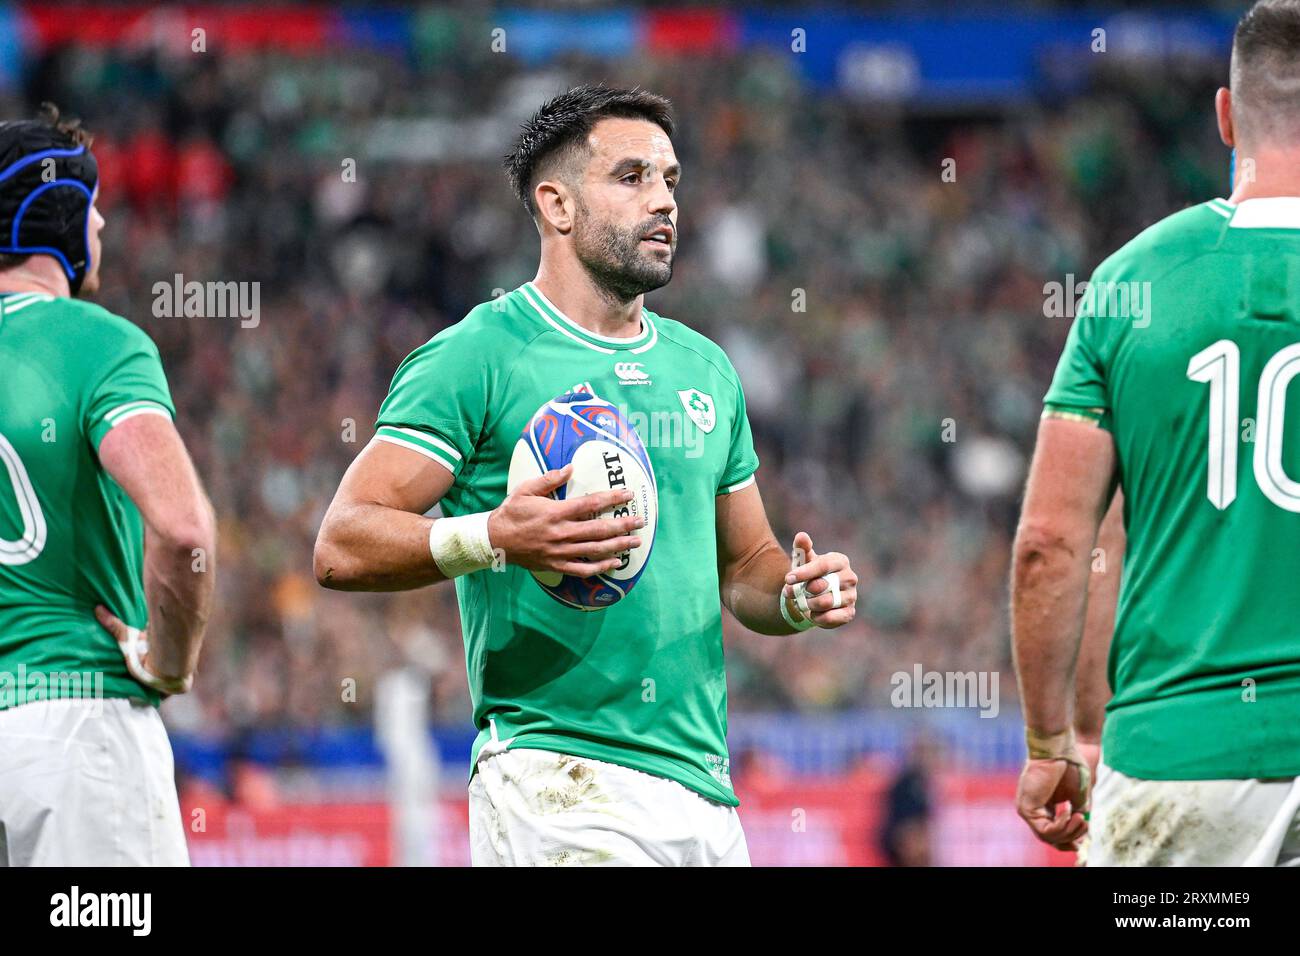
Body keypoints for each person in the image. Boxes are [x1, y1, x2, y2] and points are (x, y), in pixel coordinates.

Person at [314, 85, 860, 866]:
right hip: (556, 780)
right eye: (632, 177)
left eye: (671, 179)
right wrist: (493, 538)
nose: (665, 201)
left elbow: (744, 565)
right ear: (558, 205)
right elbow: (340, 543)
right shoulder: (479, 356)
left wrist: (792, 596)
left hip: (704, 793)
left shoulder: (704, 370)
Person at [1012, 0, 1300, 866]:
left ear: (1224, 114)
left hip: (1179, 759)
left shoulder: (1130, 281)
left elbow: (1053, 546)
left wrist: (1052, 742)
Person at [0, 104, 216, 865]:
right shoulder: (98, 343)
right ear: (55, 219)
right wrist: (169, 661)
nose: (101, 230)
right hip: (75, 731)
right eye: (93, 211)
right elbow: (184, 531)